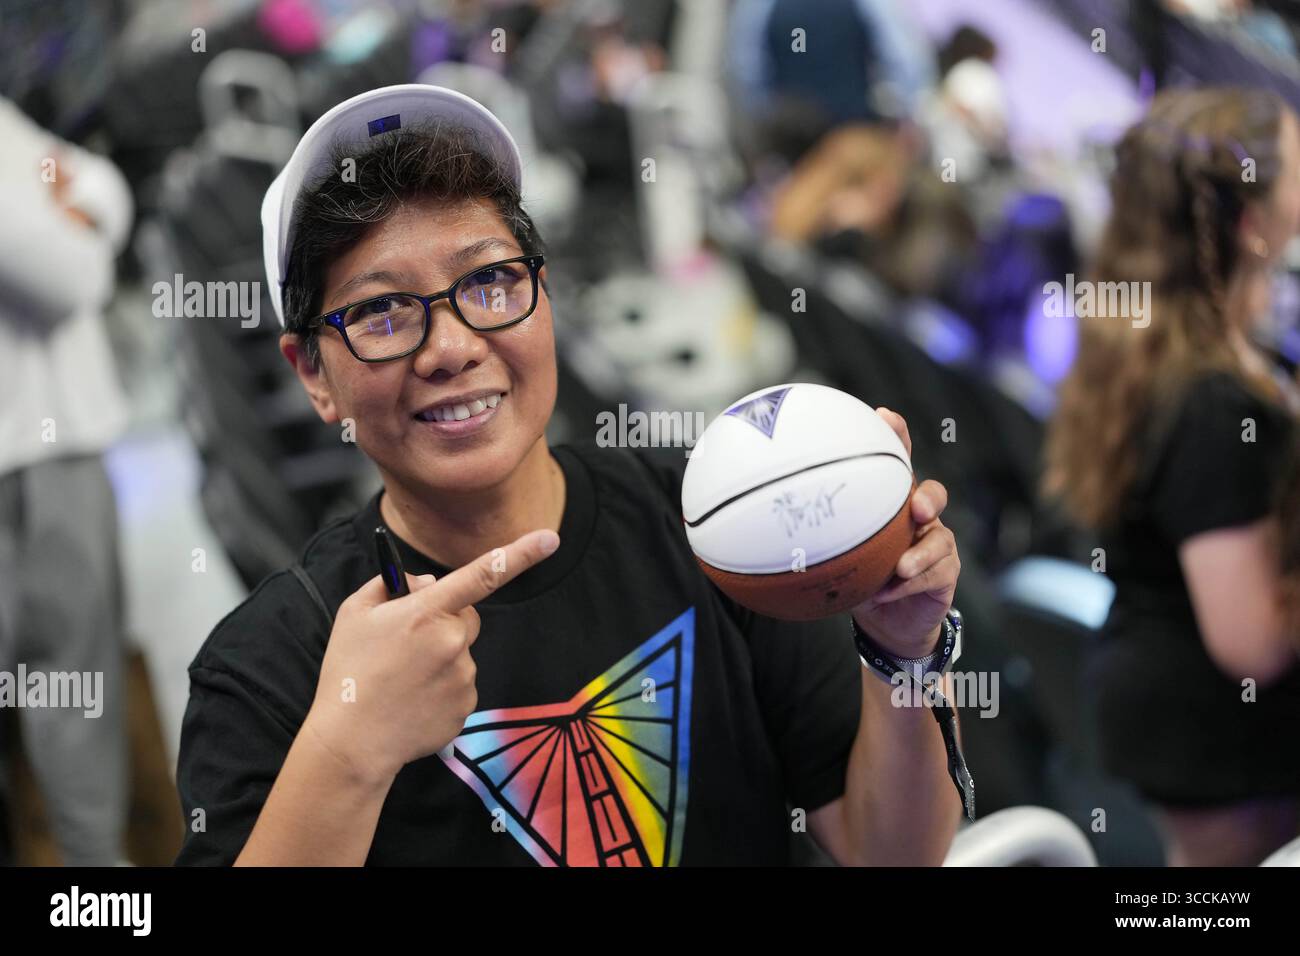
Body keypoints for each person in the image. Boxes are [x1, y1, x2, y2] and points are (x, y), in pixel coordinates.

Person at [174, 85, 966, 866]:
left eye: (489, 282)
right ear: (312, 373)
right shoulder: (267, 671)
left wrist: (903, 651)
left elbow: (889, 852)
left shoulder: (716, 530)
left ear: (545, 294)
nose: (450, 347)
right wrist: (346, 752)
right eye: (382, 313)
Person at [1045, 86, 1300, 866]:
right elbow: (1254, 643)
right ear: (1253, 224)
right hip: (1218, 740)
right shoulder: (1208, 403)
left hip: (1170, 704)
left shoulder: (1147, 336)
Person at [0, 94, 133, 865]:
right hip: (28, 461)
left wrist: (71, 203)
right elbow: (70, 279)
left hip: (52, 447)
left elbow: (101, 179)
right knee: (68, 699)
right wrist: (73, 218)